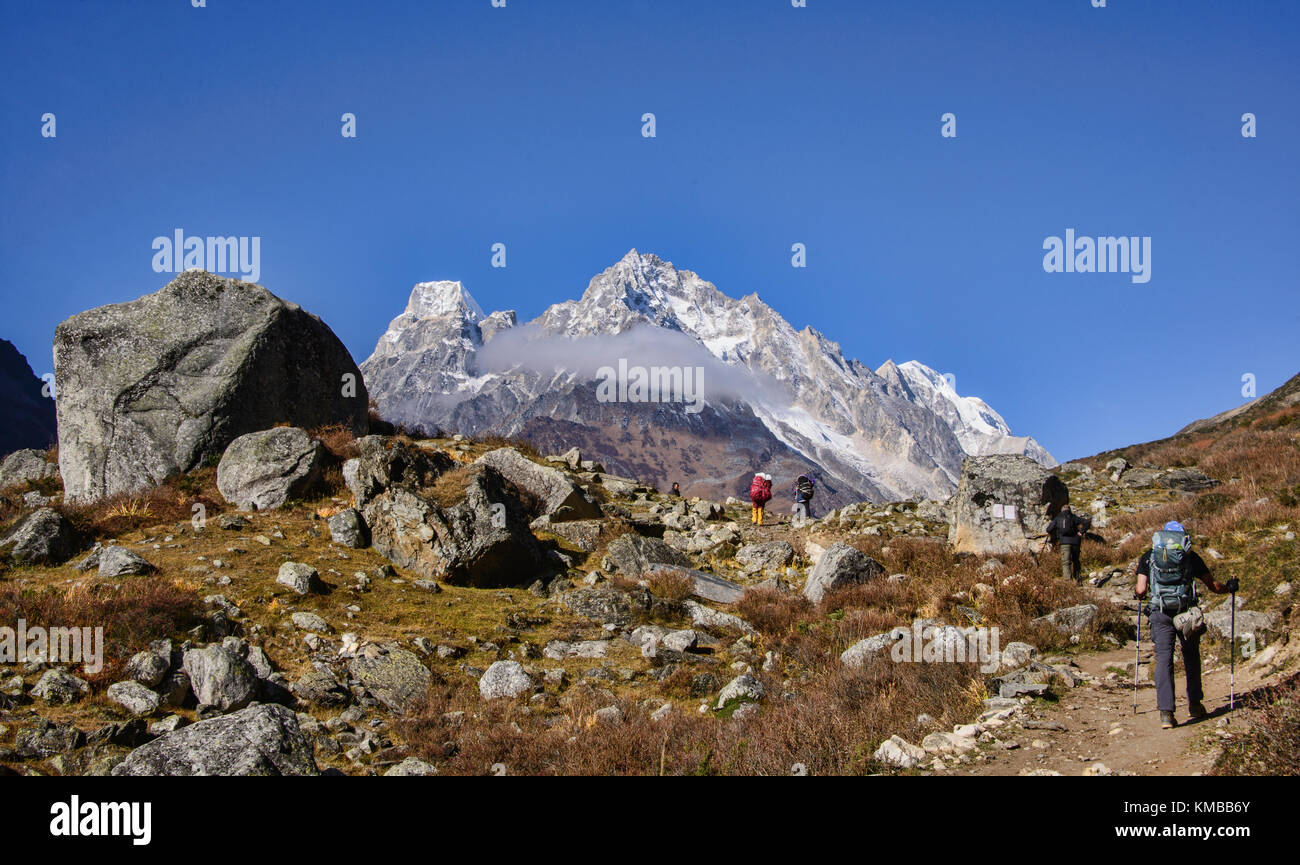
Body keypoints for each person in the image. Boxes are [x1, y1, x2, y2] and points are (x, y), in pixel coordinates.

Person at [1135, 521, 1237, 729]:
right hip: (1186, 612)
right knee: (1190, 655)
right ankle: (1195, 704)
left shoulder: (1150, 556)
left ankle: (1166, 713)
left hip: (1160, 612)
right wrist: (1229, 587)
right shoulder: (1190, 556)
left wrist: (1142, 595)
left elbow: (1140, 589)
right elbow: (1213, 586)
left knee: (1164, 659)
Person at [1045, 504, 1090, 584]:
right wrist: (1081, 532)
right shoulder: (1073, 517)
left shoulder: (1058, 518)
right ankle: (1078, 581)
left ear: (1062, 510)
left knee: (1066, 562)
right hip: (1075, 542)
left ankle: (1068, 582)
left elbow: (1048, 529)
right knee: (1076, 561)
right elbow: (1086, 522)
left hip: (1064, 542)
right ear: (1069, 510)